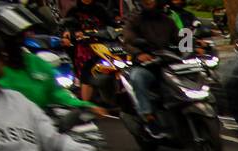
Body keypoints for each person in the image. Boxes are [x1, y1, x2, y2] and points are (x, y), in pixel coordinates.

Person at [0, 2, 93, 111]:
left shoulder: (35, 63)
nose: (20, 39)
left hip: (37, 123)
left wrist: (84, 106)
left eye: (21, 35)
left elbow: (56, 92)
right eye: (14, 37)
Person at [123, 0, 180, 130]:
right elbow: (128, 42)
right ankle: (148, 116)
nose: (149, 1)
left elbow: (181, 38)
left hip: (168, 64)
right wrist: (139, 54)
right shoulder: (134, 20)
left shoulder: (168, 21)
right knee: (138, 77)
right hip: (146, 65)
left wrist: (194, 46)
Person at [62, 0, 115, 105]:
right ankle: (85, 105)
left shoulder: (100, 8)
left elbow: (111, 25)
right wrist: (69, 34)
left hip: (103, 45)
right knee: (87, 71)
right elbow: (67, 28)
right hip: (84, 48)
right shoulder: (74, 11)